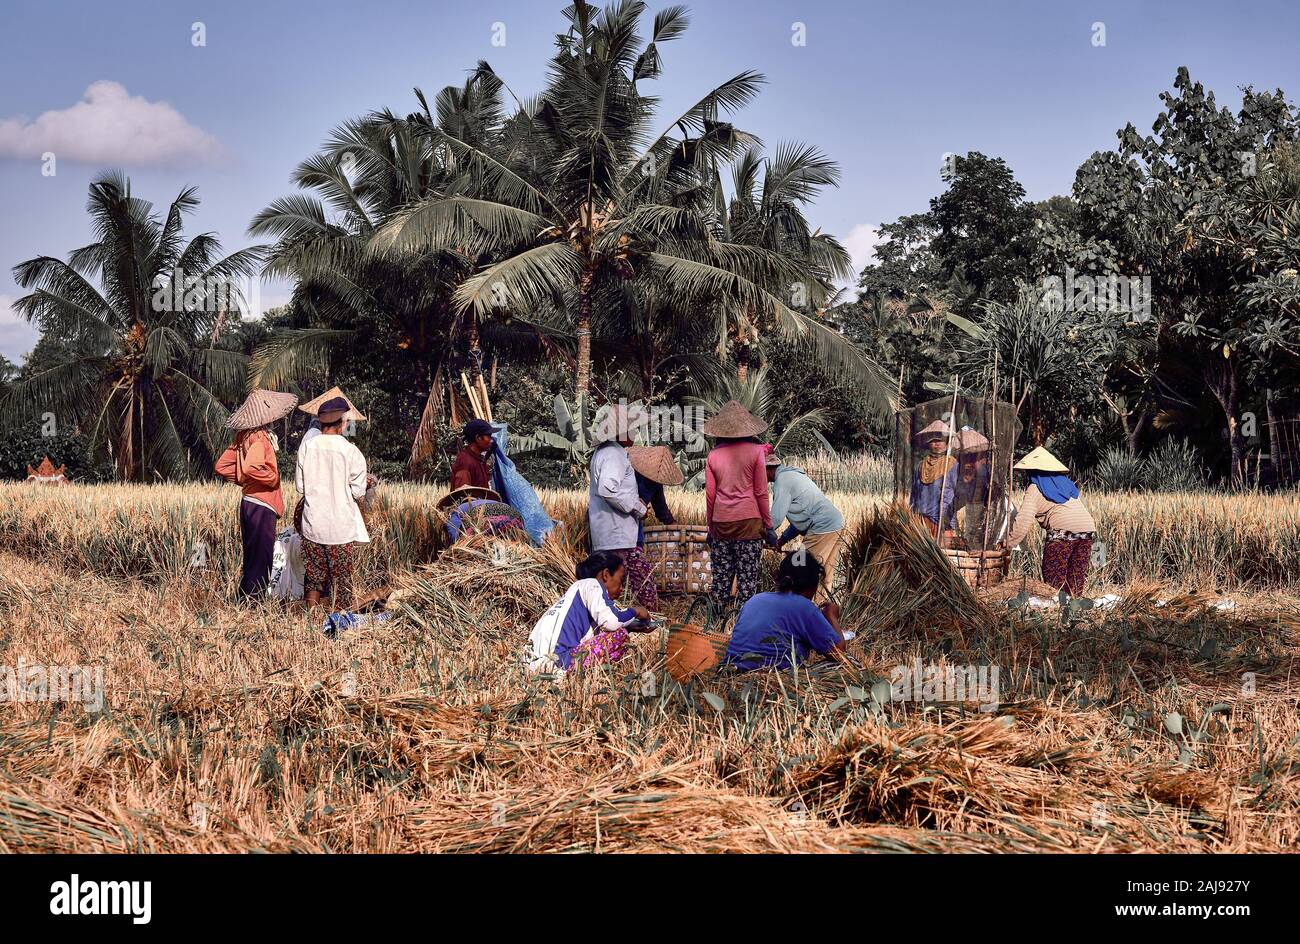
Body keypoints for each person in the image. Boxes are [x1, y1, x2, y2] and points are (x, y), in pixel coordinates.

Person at [216, 389, 298, 600]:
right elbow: (252, 467)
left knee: (252, 556)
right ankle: (255, 603)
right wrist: (272, 478)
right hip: (263, 505)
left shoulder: (243, 437)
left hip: (248, 503)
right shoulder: (260, 438)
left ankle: (244, 600)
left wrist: (244, 480)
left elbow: (222, 466)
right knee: (262, 558)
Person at [296, 396, 372, 611]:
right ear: (343, 422)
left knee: (313, 577)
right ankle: (339, 622)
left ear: (321, 422)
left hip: (312, 525)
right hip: (341, 528)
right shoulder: (351, 451)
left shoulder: (307, 447)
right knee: (341, 581)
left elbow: (301, 488)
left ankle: (309, 620)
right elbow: (357, 492)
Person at [527, 551, 653, 673]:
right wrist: (636, 611)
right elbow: (612, 622)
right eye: (620, 581)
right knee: (619, 636)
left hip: (535, 664)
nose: (621, 588)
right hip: (556, 662)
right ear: (606, 574)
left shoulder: (577, 590)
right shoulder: (593, 585)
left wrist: (631, 626)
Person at [702, 400, 771, 616]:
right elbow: (761, 492)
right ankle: (742, 625)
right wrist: (767, 525)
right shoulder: (755, 452)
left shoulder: (713, 456)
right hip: (750, 524)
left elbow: (710, 496)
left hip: (722, 523)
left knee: (721, 581)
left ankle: (714, 624)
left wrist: (711, 527)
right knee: (747, 581)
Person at [724, 552, 845, 672]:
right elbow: (839, 653)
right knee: (849, 663)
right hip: (770, 677)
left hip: (731, 671)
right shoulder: (804, 607)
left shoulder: (755, 599)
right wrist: (831, 616)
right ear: (812, 586)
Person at [1004, 446, 1097, 597]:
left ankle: (1056, 614)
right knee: (1075, 578)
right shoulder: (1067, 484)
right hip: (1087, 532)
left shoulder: (1035, 488)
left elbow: (1023, 521)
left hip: (1062, 534)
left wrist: (1008, 544)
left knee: (1054, 580)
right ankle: (1074, 610)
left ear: (1032, 472)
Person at [587, 403, 653, 606]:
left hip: (611, 534)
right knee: (643, 586)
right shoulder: (613, 454)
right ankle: (649, 623)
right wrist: (638, 507)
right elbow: (607, 489)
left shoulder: (605, 452)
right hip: (618, 536)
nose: (635, 433)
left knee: (614, 589)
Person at [765, 450, 845, 600]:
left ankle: (802, 610)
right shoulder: (793, 475)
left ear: (768, 468)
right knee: (825, 575)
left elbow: (774, 520)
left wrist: (760, 534)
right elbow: (804, 516)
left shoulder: (782, 481)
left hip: (821, 527)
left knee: (800, 568)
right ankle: (821, 610)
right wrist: (782, 540)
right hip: (835, 523)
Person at [624, 445, 683, 609]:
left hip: (635, 527)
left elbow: (661, 509)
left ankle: (639, 606)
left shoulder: (655, 482)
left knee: (636, 569)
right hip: (616, 525)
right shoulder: (626, 471)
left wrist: (676, 528)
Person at [910, 420, 958, 538]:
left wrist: (948, 523)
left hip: (941, 519)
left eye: (940, 440)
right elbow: (914, 494)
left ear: (947, 443)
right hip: (920, 519)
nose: (937, 443)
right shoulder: (921, 465)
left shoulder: (951, 464)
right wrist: (911, 516)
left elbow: (957, 495)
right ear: (928, 444)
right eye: (933, 441)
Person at [436, 485, 526, 543]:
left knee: (467, 538)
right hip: (514, 515)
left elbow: (452, 527)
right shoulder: (490, 501)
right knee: (514, 542)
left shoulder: (461, 507)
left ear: (459, 500)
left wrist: (456, 546)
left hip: (486, 519)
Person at [452, 418, 498, 491]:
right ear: (478, 438)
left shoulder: (478, 459)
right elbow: (462, 493)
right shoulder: (465, 461)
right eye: (489, 436)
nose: (491, 440)